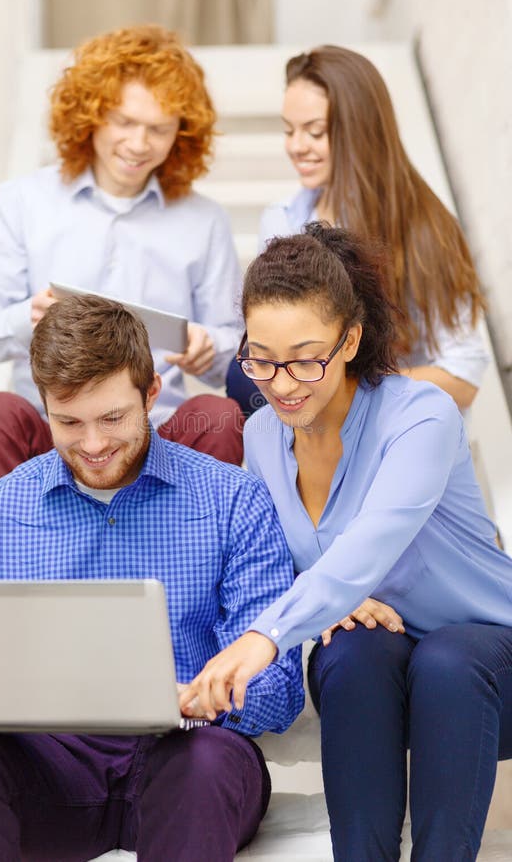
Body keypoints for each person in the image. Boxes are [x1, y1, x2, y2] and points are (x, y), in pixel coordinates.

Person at [0, 294, 304, 862]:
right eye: (68, 422)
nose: (92, 446)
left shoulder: (232, 500)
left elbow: (282, 690)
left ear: (150, 395)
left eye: (112, 418)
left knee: (205, 763)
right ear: (44, 405)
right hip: (49, 768)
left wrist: (213, 696)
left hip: (187, 754)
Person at [181, 224, 512, 861]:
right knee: (351, 652)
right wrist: (337, 595)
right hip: (386, 661)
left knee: (447, 658)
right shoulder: (259, 439)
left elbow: (376, 536)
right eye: (262, 358)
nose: (280, 382)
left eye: (306, 357)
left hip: (490, 661)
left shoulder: (421, 415)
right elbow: (286, 558)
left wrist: (271, 630)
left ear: (351, 340)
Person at [0, 24, 244, 513]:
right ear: (90, 115)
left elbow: (236, 358)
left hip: (152, 433)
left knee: (219, 415)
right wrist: (27, 317)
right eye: (124, 121)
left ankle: (195, 581)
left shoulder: (204, 221)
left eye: (159, 129)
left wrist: (208, 348)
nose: (138, 144)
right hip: (52, 426)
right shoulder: (22, 202)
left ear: (181, 133)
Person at [227, 43, 488, 416]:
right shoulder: (281, 220)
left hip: (389, 418)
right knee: (239, 380)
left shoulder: (425, 226)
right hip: (310, 420)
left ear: (360, 132)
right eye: (289, 131)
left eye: (315, 132)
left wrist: (357, 386)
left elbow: (462, 376)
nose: (296, 146)